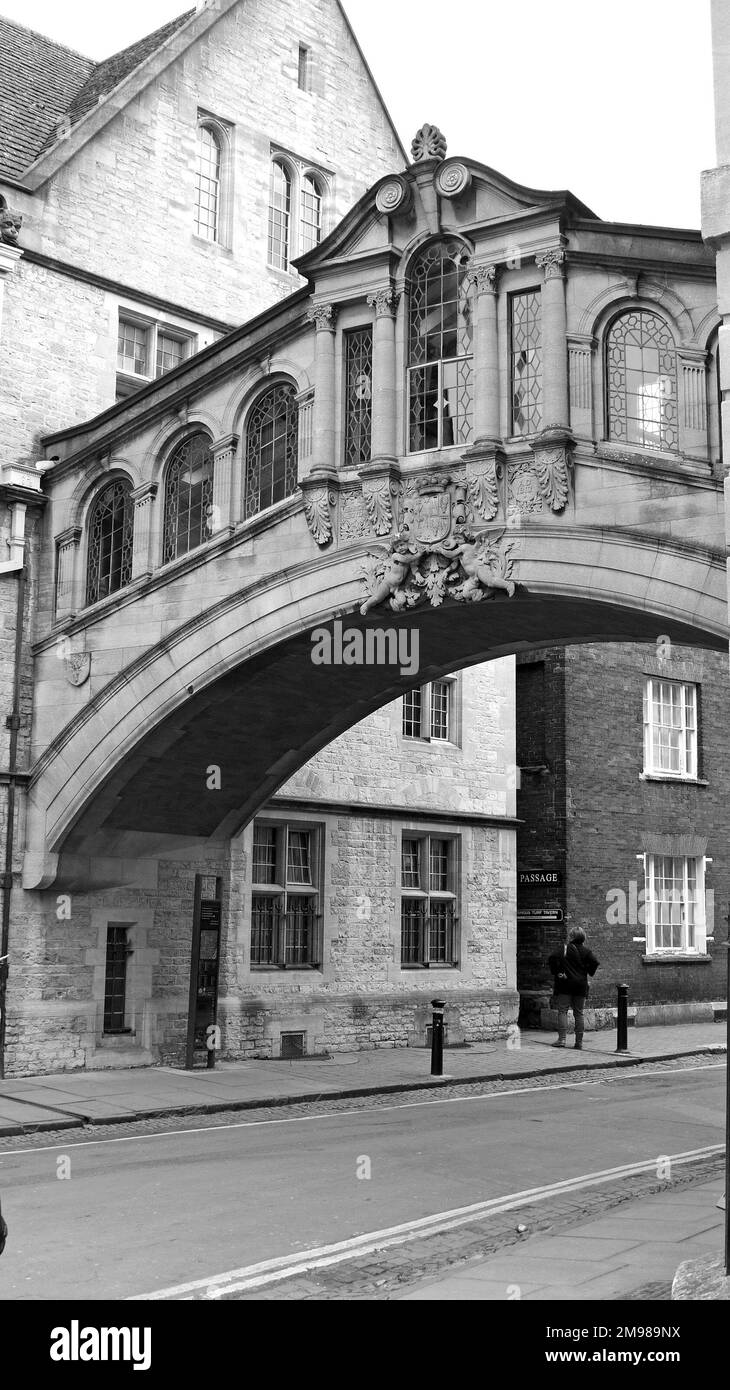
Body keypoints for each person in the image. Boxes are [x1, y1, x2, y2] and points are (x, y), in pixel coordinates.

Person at [548, 927, 599, 1049]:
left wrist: (558, 971)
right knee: (579, 1013)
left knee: (563, 1011)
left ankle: (562, 1040)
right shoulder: (587, 951)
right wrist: (586, 971)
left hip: (565, 984)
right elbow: (595, 962)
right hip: (580, 985)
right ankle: (579, 1042)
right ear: (583, 937)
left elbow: (551, 958)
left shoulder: (564, 949)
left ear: (571, 937)